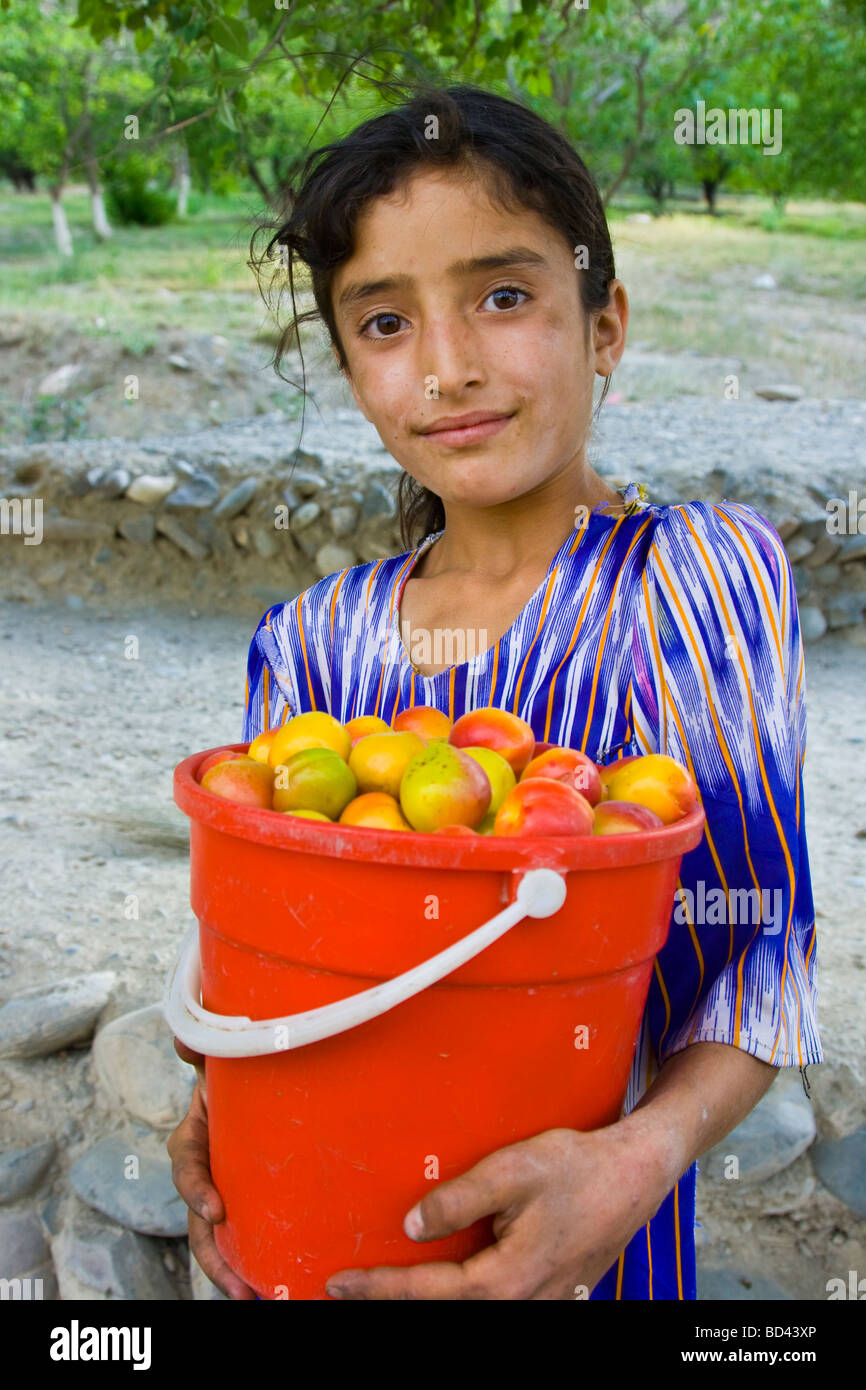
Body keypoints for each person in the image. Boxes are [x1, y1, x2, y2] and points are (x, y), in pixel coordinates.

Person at [168, 83, 822, 1301]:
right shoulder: (312, 644)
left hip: (590, 1263)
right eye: (382, 322)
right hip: (331, 1245)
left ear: (604, 325)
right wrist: (222, 1090)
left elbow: (759, 952)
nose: (450, 367)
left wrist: (638, 1157)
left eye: (504, 296)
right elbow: (280, 949)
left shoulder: (691, 579)